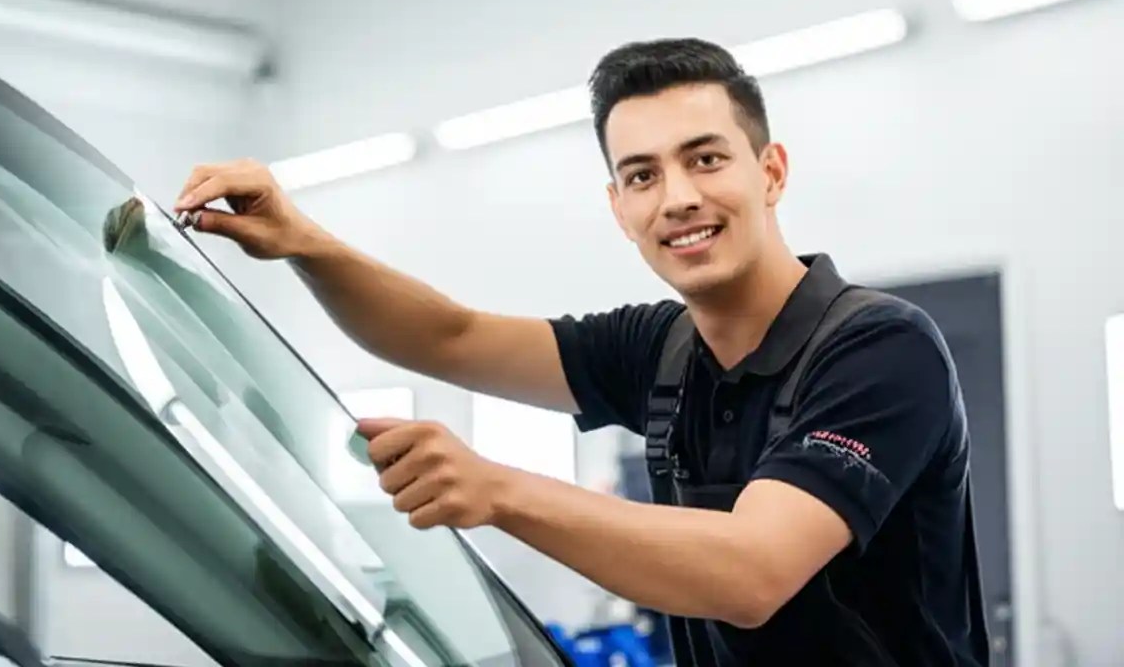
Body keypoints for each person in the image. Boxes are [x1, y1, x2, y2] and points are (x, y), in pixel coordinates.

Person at [173, 38, 990, 666]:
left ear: (770, 172)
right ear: (618, 206)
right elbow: (448, 337)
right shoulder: (658, 349)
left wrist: (496, 490)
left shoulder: (881, 350)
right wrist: (302, 241)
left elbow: (751, 572)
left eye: (705, 159)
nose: (678, 198)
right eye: (642, 176)